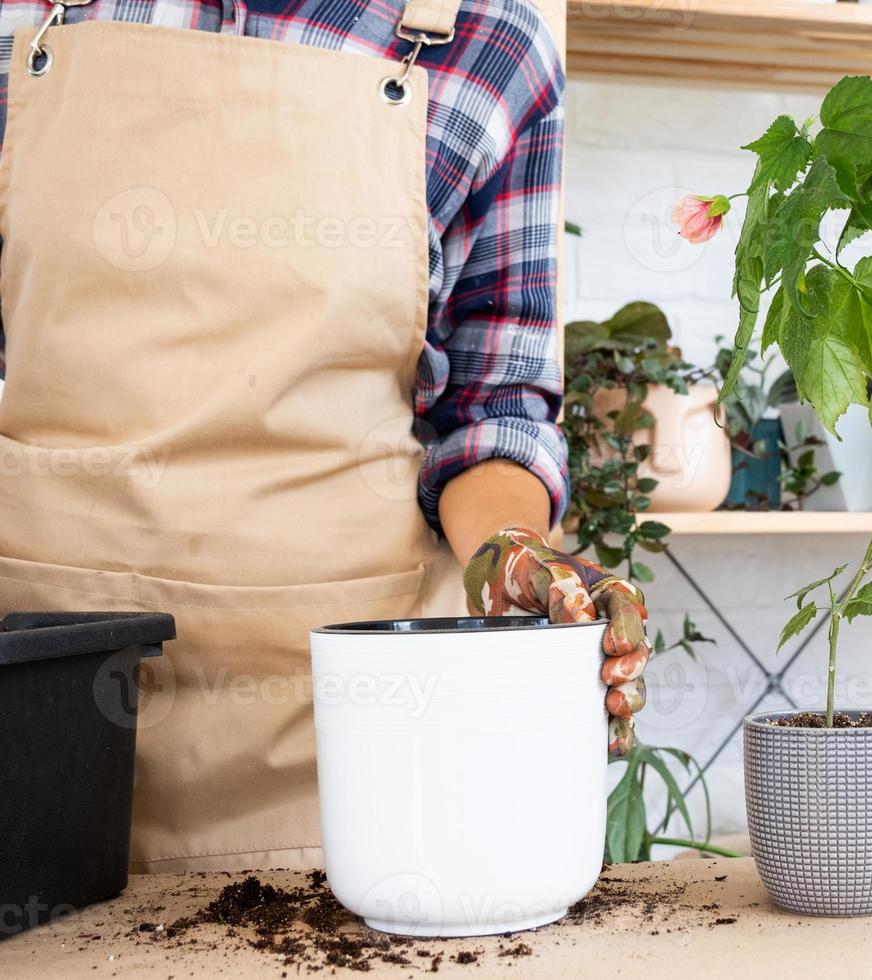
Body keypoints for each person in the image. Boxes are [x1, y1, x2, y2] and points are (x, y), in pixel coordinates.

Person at [0, 0, 648, 873]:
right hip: (35, 731)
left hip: (346, 758)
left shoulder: (490, 44)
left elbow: (489, 417)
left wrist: (514, 552)